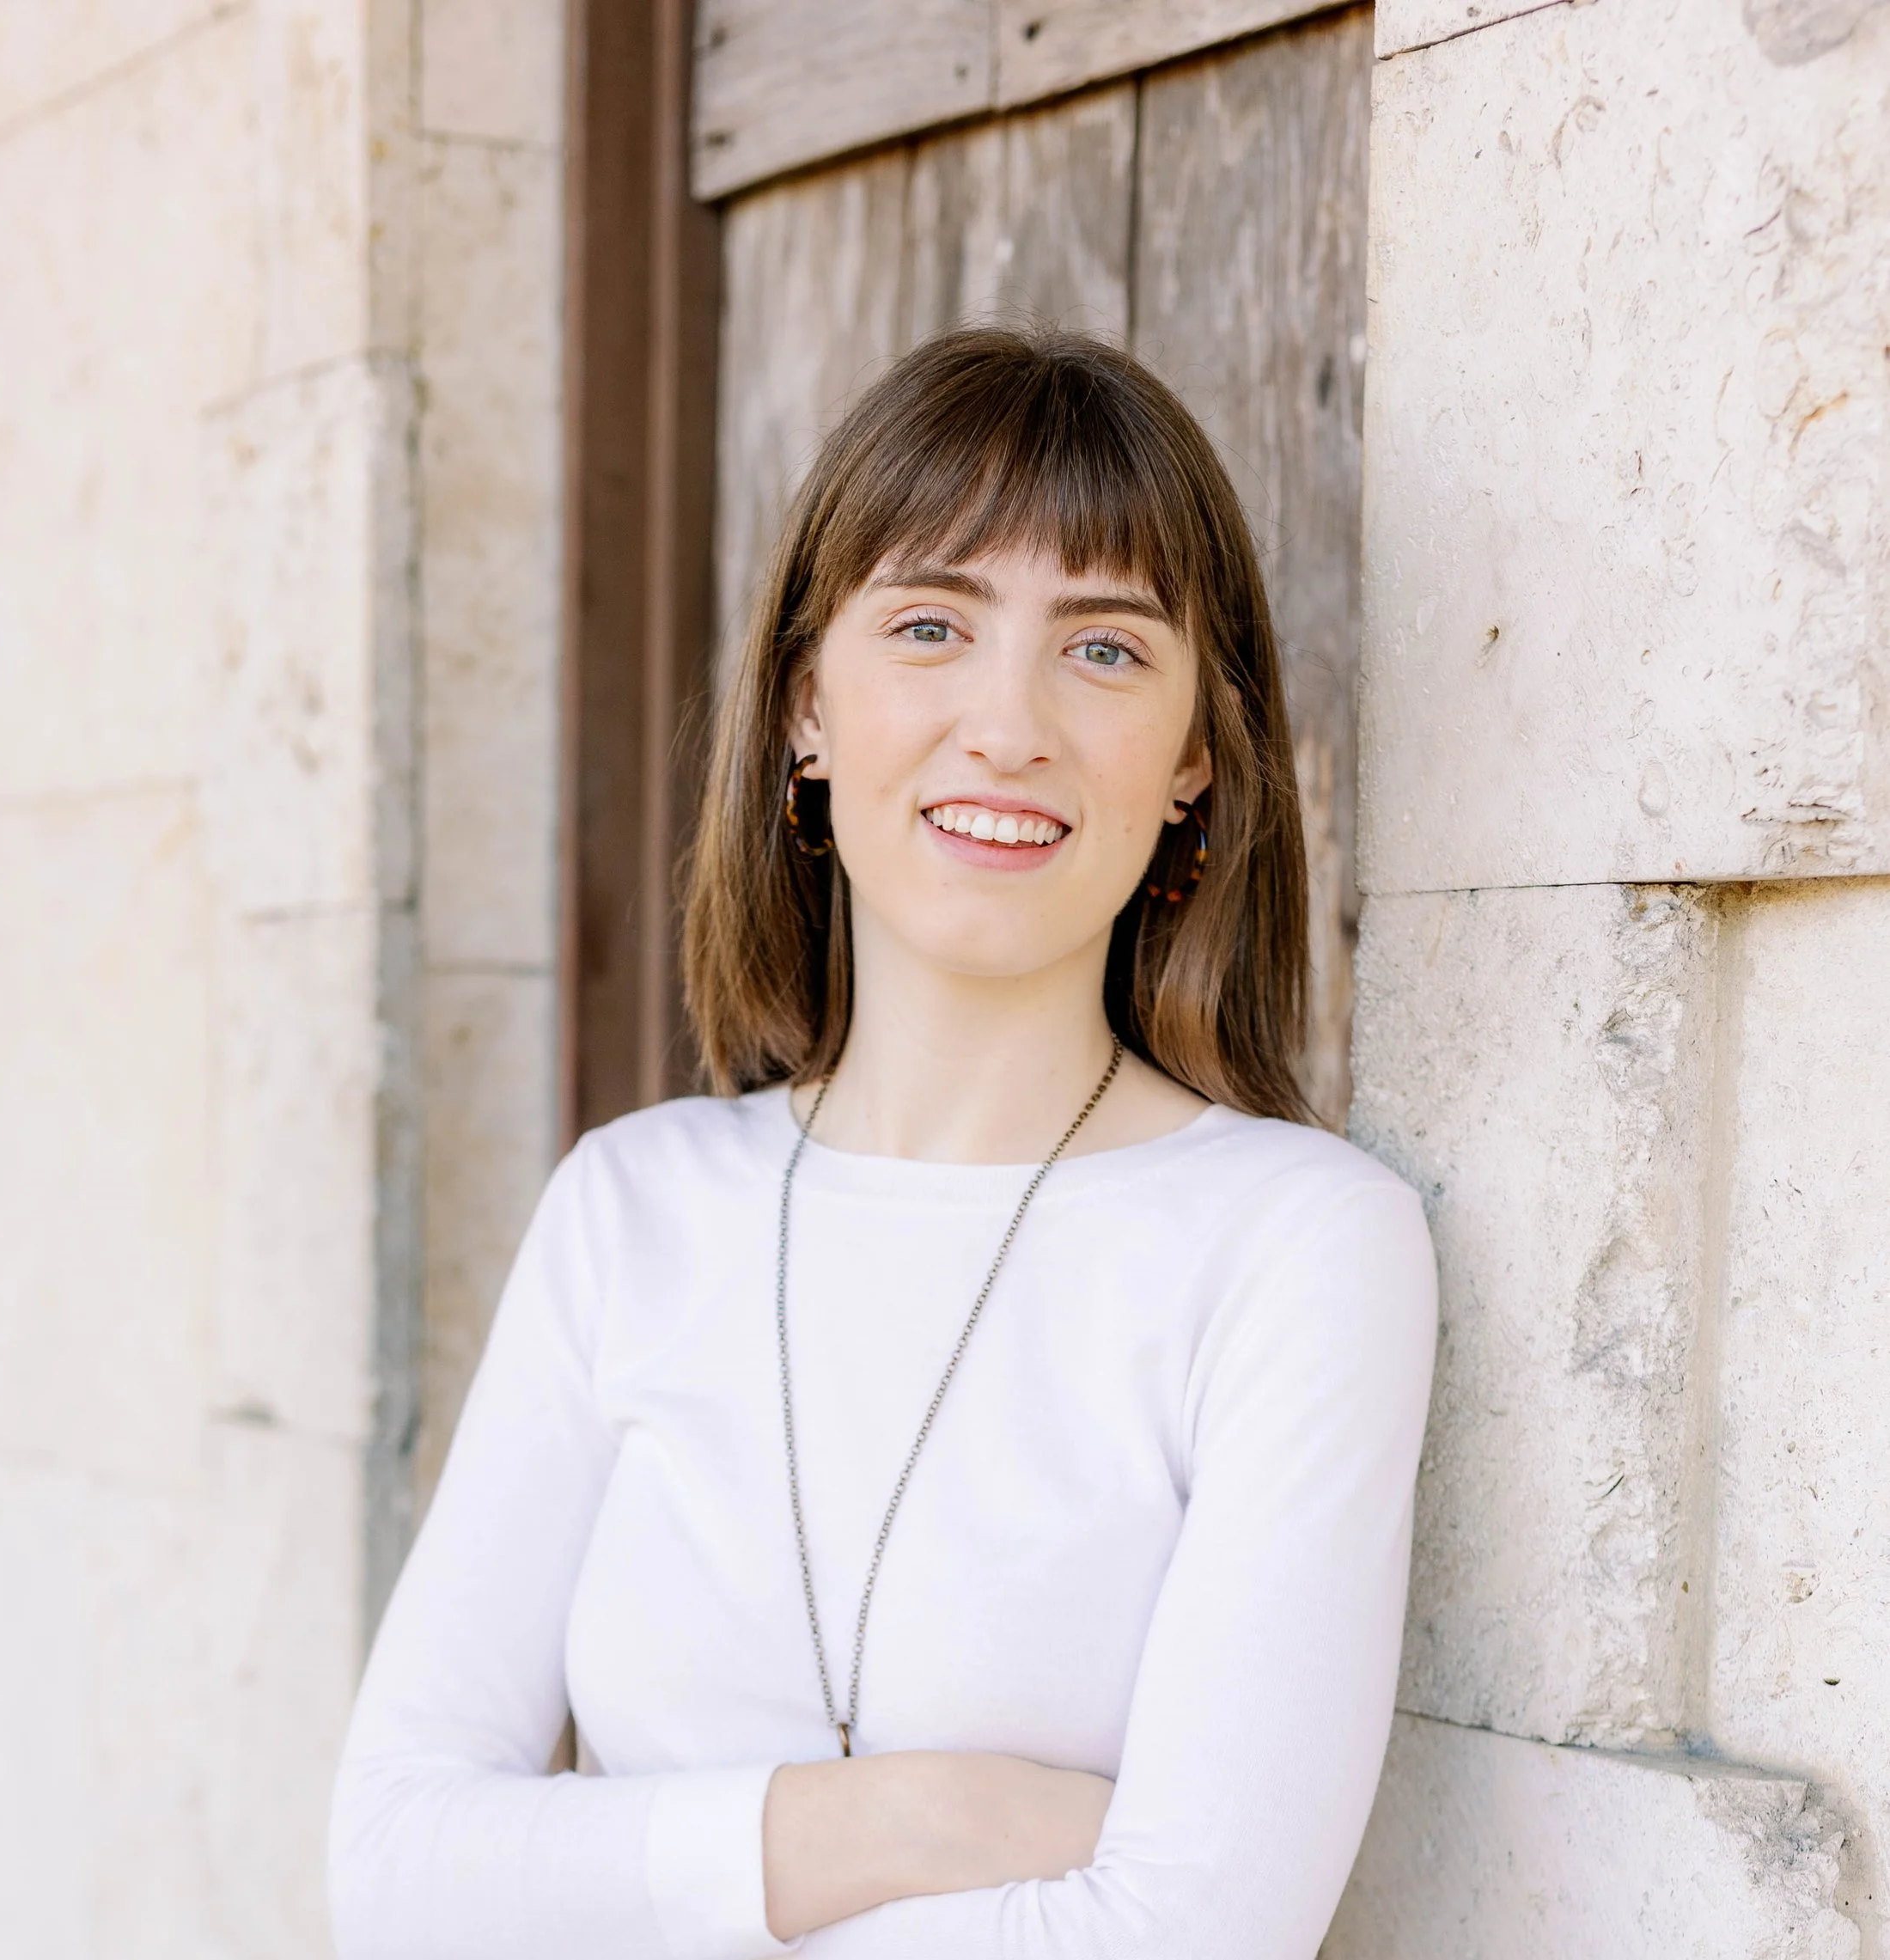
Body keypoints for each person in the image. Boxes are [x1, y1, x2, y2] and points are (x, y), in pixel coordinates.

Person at [327, 327, 1437, 1959]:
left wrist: (614, 1882)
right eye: (931, 626)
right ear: (807, 709)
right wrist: (936, 1823)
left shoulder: (1301, 1245)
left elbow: (1189, 1937)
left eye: (1105, 649)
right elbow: (392, 1872)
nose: (1008, 724)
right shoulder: (629, 1209)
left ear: (1195, 757)